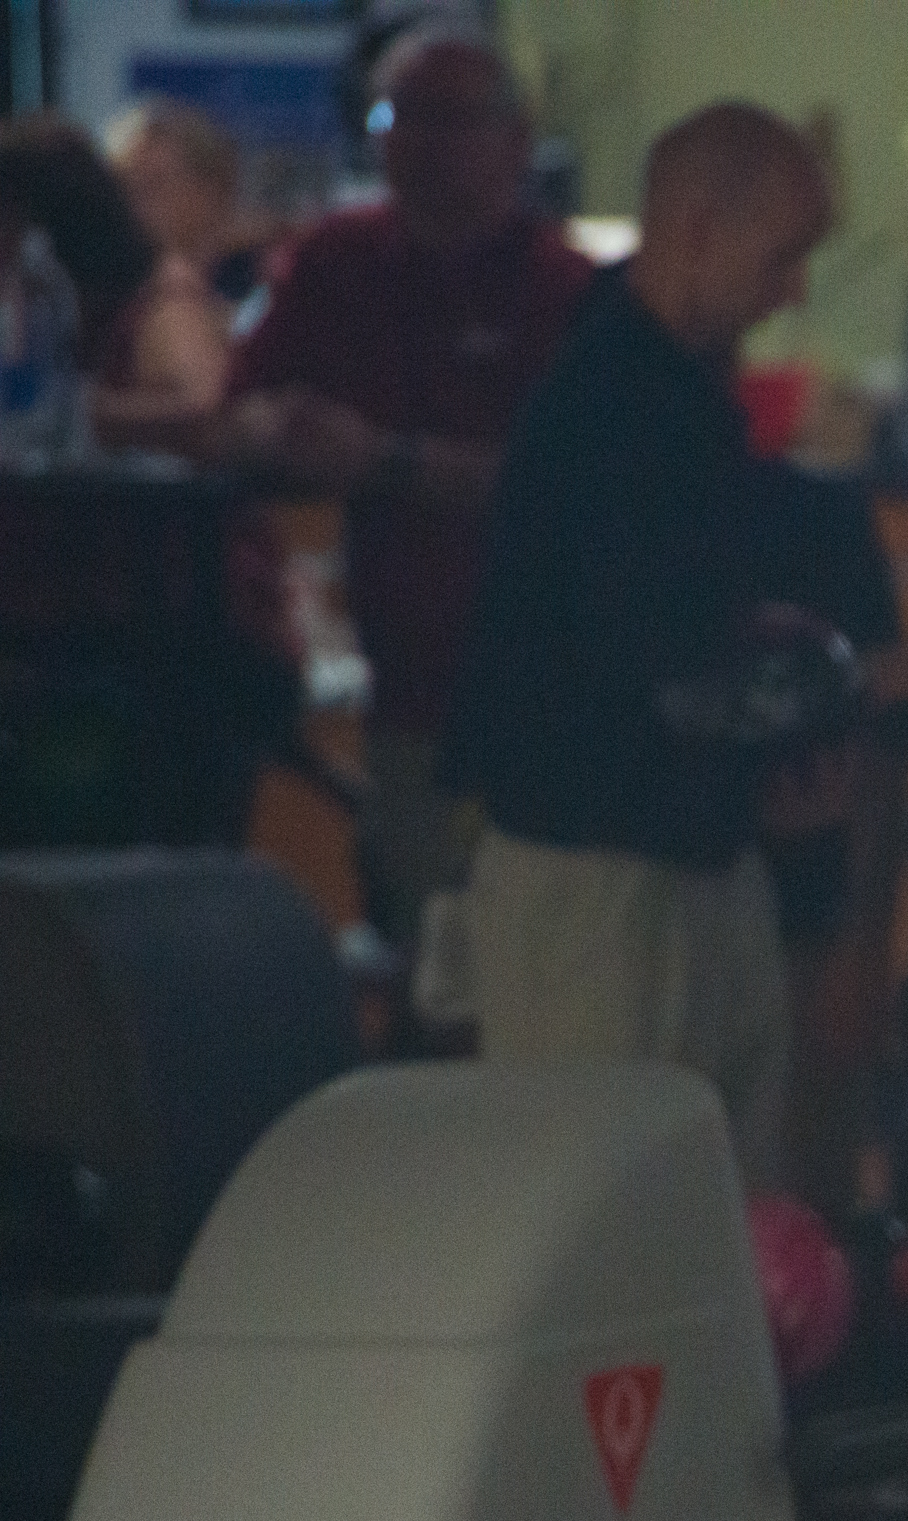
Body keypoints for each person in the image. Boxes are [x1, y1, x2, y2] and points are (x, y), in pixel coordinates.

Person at [453, 103, 908, 1191]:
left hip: (685, 864)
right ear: (692, 228)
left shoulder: (663, 399)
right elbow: (685, 682)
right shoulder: (609, 416)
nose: (795, 292)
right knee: (609, 1222)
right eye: (781, 258)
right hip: (599, 881)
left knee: (708, 1226)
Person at [219, 32, 594, 941]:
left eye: (448, 118)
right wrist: (274, 431)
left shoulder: (566, 289)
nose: (417, 142)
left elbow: (570, 490)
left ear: (515, 139)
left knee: (538, 954)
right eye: (396, 115)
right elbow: (235, 414)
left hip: (551, 691)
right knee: (425, 942)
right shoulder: (335, 262)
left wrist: (386, 460)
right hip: (410, 685)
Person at [0, 114, 216, 444]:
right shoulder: (42, 304)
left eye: (153, 185)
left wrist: (77, 411)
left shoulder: (163, 304)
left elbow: (205, 409)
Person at [106, 99, 264, 314]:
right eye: (124, 185)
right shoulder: (119, 292)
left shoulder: (262, 277)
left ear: (211, 188)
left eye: (154, 183)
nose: (134, 202)